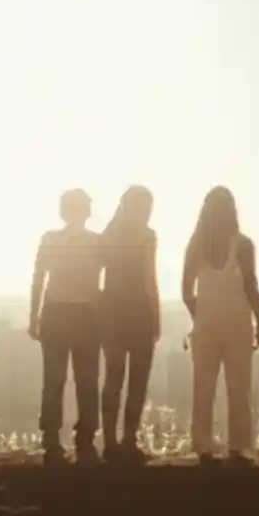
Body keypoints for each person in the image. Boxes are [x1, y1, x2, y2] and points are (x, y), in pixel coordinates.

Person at [182, 187, 259, 465]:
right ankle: (238, 448)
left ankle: (204, 447)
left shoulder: (197, 245)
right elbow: (251, 285)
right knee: (238, 387)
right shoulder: (242, 244)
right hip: (238, 322)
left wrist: (200, 316)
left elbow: (185, 290)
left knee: (203, 387)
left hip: (208, 324)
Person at [30, 189, 103, 467]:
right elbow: (38, 278)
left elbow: (39, 280)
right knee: (56, 379)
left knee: (84, 380)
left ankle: (82, 438)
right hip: (60, 313)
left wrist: (34, 317)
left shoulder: (96, 243)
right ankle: (52, 439)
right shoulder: (52, 240)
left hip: (84, 315)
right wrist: (34, 316)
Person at [98, 185, 161, 463]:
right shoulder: (147, 237)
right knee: (137, 380)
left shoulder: (107, 236)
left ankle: (110, 443)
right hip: (139, 313)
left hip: (111, 311)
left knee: (113, 378)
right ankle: (128, 441)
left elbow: (95, 276)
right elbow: (150, 279)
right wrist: (157, 317)